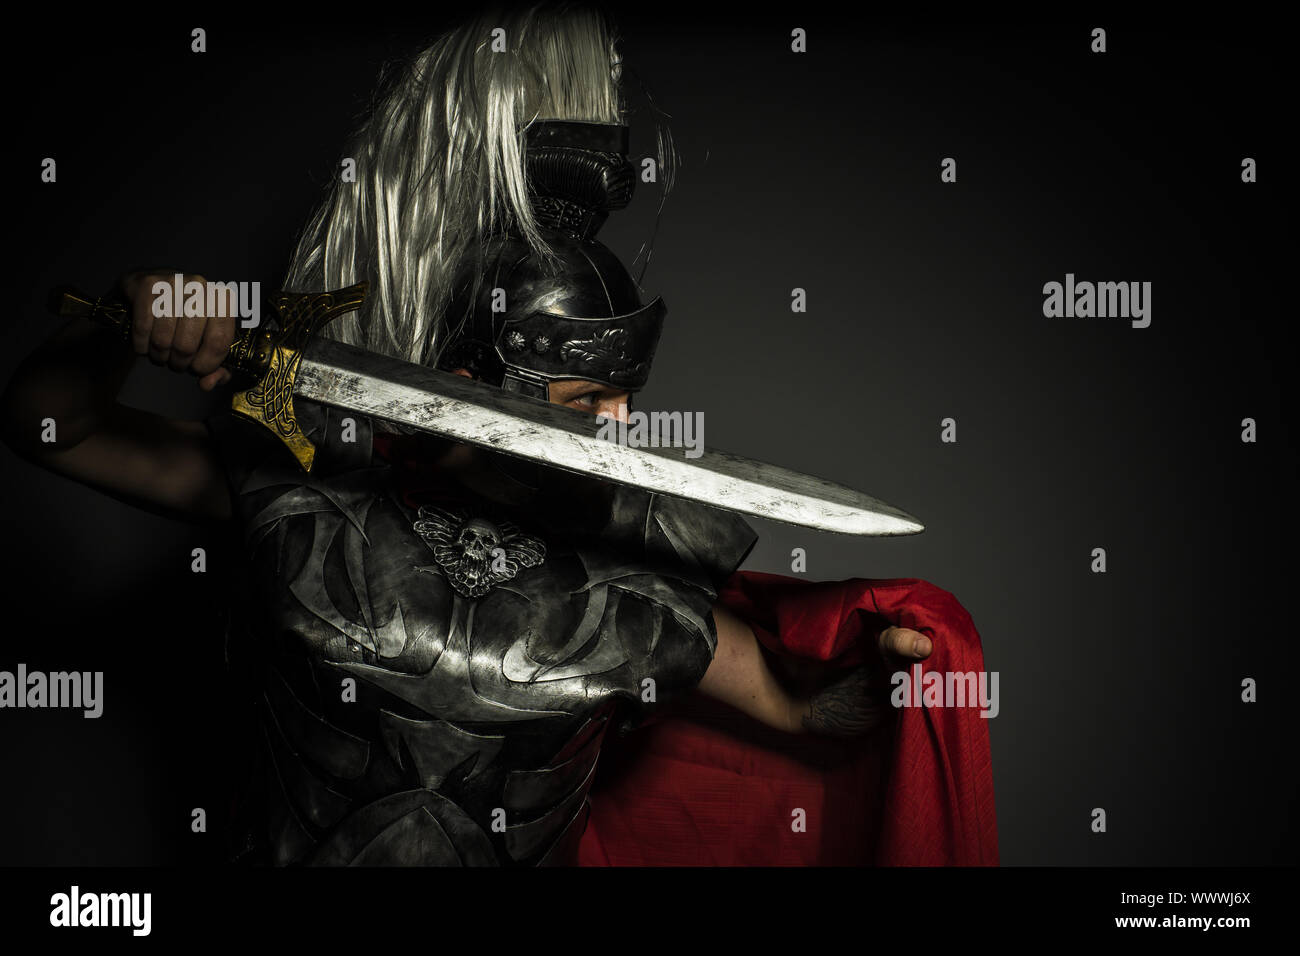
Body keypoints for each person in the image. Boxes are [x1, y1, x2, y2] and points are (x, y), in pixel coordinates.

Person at [2, 3, 987, 866]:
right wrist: (120, 319)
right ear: (467, 389)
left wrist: (888, 673)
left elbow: (798, 708)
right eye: (574, 398)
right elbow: (51, 426)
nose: (617, 428)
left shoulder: (632, 582)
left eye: (620, 395)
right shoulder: (306, 493)